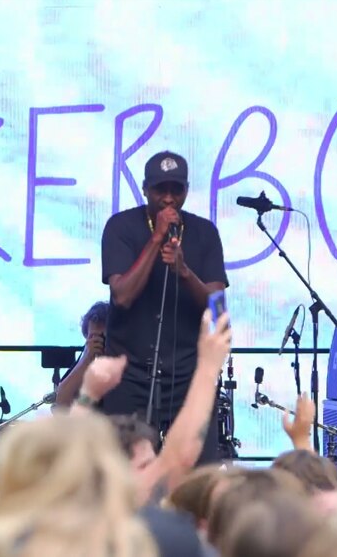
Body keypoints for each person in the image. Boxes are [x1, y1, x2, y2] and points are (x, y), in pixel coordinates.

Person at [99, 151, 229, 464]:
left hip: (187, 373)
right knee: (123, 470)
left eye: (176, 190)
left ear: (186, 190)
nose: (168, 198)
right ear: (145, 189)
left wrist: (185, 272)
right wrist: (156, 239)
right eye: (160, 189)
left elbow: (217, 309)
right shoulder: (121, 227)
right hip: (129, 374)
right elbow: (122, 296)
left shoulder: (204, 233)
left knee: (198, 469)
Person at [54, 301, 108, 408]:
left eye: (104, 336)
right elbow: (61, 403)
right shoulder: (82, 366)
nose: (99, 341)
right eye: (93, 336)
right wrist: (86, 359)